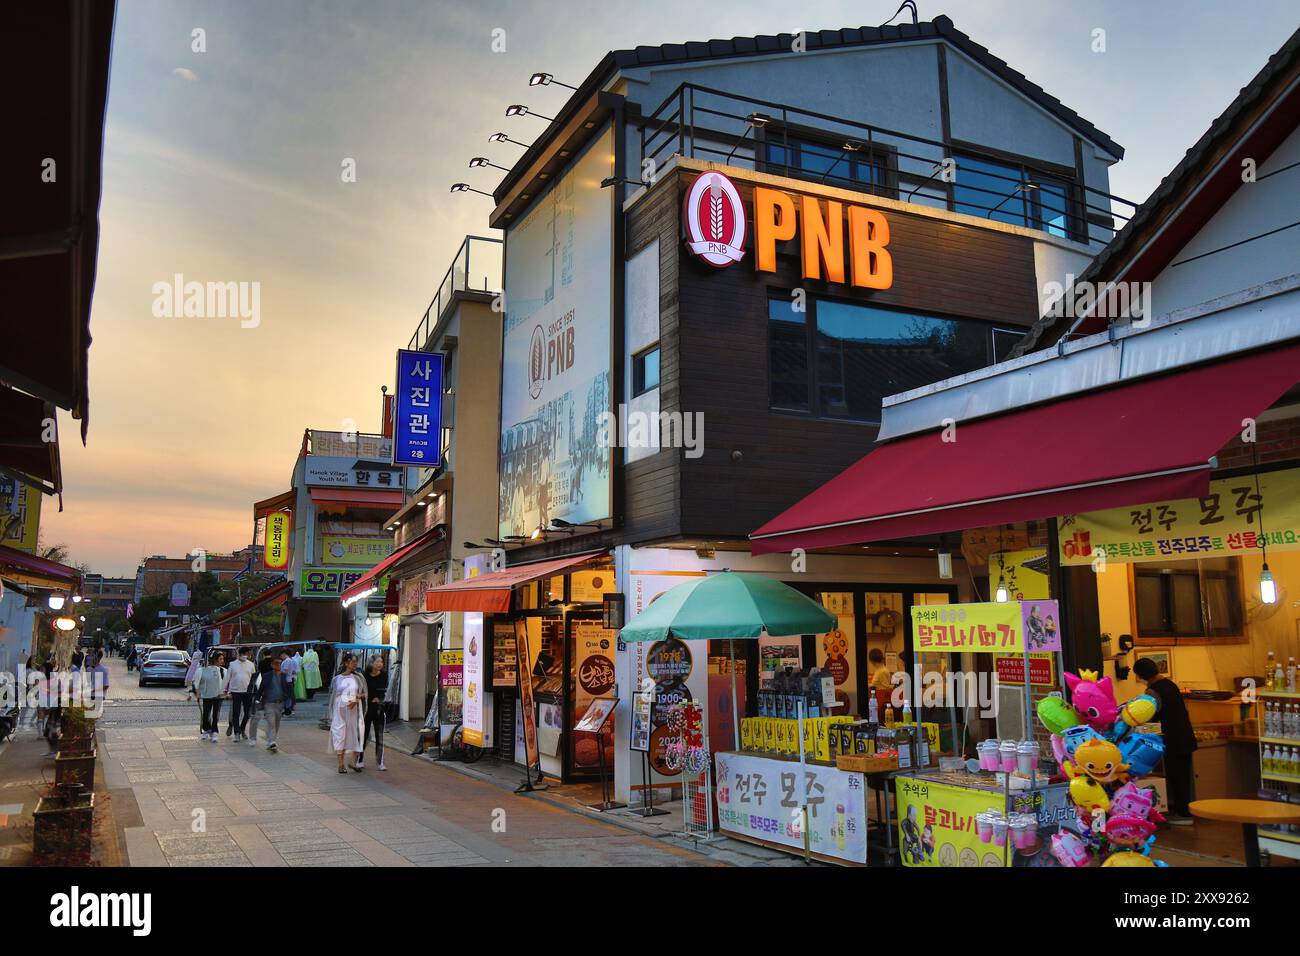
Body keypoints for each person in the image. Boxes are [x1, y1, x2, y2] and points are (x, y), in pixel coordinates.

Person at [1134, 657, 1196, 825]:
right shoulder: (1170, 684)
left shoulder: (1153, 691)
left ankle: (1183, 815)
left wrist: (1137, 728)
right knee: (1183, 776)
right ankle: (1184, 810)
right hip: (1185, 736)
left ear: (1141, 675)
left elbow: (1151, 717)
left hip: (1173, 739)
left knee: (1177, 777)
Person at [329, 653, 366, 773]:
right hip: (340, 709)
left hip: (353, 709)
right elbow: (334, 695)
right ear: (346, 663)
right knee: (340, 733)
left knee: (355, 733)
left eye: (356, 661)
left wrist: (356, 699)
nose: (355, 664)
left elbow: (365, 693)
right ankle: (340, 764)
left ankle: (354, 762)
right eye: (352, 661)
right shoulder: (337, 678)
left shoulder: (358, 677)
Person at [248, 656, 291, 752]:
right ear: (272, 665)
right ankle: (271, 741)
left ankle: (272, 740)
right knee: (271, 723)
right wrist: (257, 699)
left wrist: (291, 703)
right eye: (276, 663)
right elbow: (261, 688)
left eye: (280, 663)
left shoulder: (285, 676)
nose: (278, 665)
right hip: (269, 703)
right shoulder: (267, 676)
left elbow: (290, 690)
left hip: (280, 703)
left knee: (276, 723)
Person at [357, 654, 388, 771]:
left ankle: (380, 762)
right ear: (371, 663)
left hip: (379, 708)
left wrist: (379, 699)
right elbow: (362, 691)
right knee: (363, 735)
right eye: (377, 662)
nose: (380, 664)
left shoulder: (384, 675)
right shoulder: (364, 676)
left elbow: (384, 690)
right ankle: (359, 759)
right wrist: (368, 697)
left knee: (380, 736)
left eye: (381, 662)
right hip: (366, 708)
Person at [223, 647, 256, 740]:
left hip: (248, 692)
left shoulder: (251, 665)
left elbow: (253, 678)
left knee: (247, 713)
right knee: (236, 713)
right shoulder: (232, 664)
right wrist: (223, 690)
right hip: (236, 691)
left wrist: (255, 690)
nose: (248, 656)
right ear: (241, 654)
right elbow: (227, 678)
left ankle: (242, 729)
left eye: (249, 654)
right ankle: (236, 733)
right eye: (246, 654)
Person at [196, 652, 228, 742]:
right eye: (220, 659)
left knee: (215, 715)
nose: (222, 661)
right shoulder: (205, 670)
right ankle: (206, 730)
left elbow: (226, 684)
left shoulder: (224, 671)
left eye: (223, 659)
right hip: (207, 694)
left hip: (219, 695)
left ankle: (214, 732)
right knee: (206, 714)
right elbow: (201, 681)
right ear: (215, 660)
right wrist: (198, 692)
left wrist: (226, 692)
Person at [279, 650, 300, 716]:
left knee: (287, 696)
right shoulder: (289, 660)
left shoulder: (287, 661)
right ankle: (287, 710)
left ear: (284, 654)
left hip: (286, 680)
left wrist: (278, 672)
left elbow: (285, 671)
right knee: (288, 696)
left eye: (281, 656)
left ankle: (288, 710)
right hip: (288, 680)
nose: (281, 657)